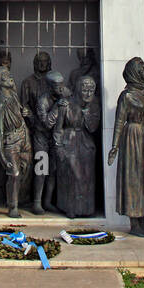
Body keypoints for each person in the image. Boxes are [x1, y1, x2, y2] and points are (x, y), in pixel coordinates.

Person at [108, 57, 144, 237]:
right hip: (132, 139)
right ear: (133, 72)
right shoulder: (126, 96)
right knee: (133, 178)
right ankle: (134, 223)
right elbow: (120, 121)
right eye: (141, 69)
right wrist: (114, 146)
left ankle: (142, 221)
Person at [49, 74, 101, 218]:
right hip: (69, 141)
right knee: (72, 175)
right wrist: (58, 146)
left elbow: (93, 127)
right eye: (85, 90)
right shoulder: (66, 104)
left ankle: (86, 208)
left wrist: (86, 112)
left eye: (91, 91)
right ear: (78, 89)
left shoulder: (94, 105)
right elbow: (58, 128)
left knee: (87, 177)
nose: (88, 94)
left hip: (86, 143)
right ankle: (70, 207)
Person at [0, 66, 32, 219]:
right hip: (10, 141)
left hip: (23, 135)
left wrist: (26, 113)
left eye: (9, 73)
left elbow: (20, 115)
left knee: (26, 169)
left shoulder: (13, 96)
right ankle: (12, 206)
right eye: (5, 75)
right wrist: (1, 155)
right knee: (13, 174)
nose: (10, 77)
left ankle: (22, 199)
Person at [20, 50, 56, 213]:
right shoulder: (28, 82)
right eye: (40, 61)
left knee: (53, 168)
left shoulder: (54, 81)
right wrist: (33, 120)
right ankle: (36, 202)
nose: (43, 64)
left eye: (45, 61)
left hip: (54, 131)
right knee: (41, 166)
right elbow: (24, 106)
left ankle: (48, 201)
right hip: (37, 130)